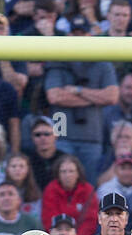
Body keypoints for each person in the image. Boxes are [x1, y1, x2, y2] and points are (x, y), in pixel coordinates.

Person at [44, 36, 120, 183]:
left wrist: (78, 90)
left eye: (83, 34)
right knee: (61, 182)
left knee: (88, 184)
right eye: (75, 34)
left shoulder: (102, 64)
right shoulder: (58, 63)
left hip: (92, 138)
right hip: (62, 133)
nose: (79, 38)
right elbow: (55, 97)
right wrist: (94, 98)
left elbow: (112, 97)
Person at [40, 154, 98, 235]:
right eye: (63, 171)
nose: (67, 175)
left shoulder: (88, 190)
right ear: (58, 174)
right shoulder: (50, 189)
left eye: (71, 171)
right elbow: (48, 218)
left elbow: (91, 219)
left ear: (78, 173)